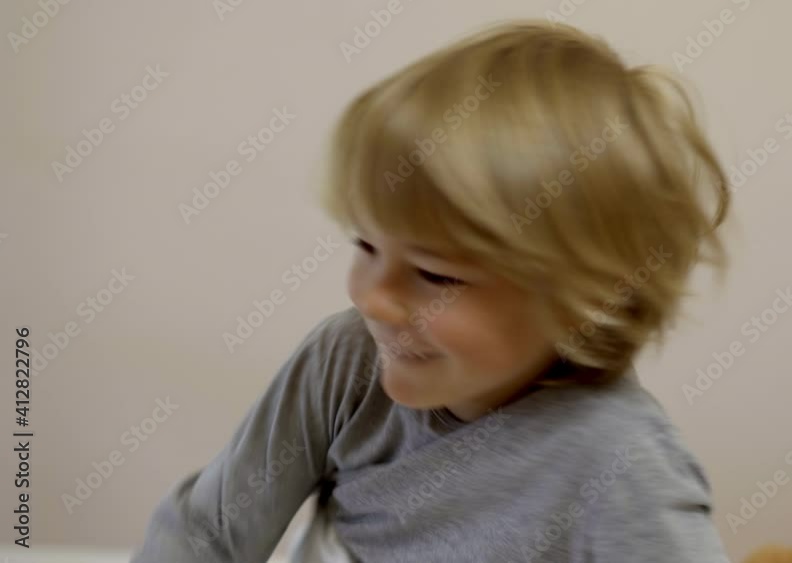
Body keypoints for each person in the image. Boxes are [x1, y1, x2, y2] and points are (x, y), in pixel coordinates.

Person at [131, 18, 732, 563]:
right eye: (365, 246)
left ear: (587, 298)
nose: (374, 299)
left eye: (437, 275)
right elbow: (207, 535)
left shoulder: (622, 462)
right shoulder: (346, 364)